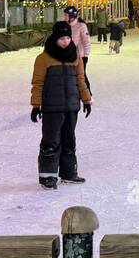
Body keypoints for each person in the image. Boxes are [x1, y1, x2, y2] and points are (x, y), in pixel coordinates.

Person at [30, 21, 93, 189]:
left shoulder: (75, 56)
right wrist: (36, 106)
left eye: (67, 37)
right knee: (51, 141)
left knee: (69, 140)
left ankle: (68, 173)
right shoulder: (43, 59)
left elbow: (81, 80)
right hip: (52, 108)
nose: (65, 41)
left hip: (71, 107)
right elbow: (37, 83)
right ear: (55, 38)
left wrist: (86, 100)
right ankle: (48, 176)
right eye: (62, 38)